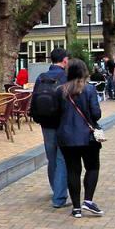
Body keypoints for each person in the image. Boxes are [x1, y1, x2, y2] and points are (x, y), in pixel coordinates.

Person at [55, 59, 103, 218]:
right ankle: (88, 200)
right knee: (92, 167)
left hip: (66, 138)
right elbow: (96, 114)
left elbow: (55, 115)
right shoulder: (89, 90)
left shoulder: (60, 91)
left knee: (72, 171)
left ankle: (76, 208)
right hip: (88, 137)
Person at [32, 48, 69, 208]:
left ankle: (56, 188)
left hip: (45, 123)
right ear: (65, 61)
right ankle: (59, 197)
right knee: (62, 158)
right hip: (62, 122)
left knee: (51, 157)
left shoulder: (41, 77)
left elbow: (34, 99)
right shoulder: (66, 77)